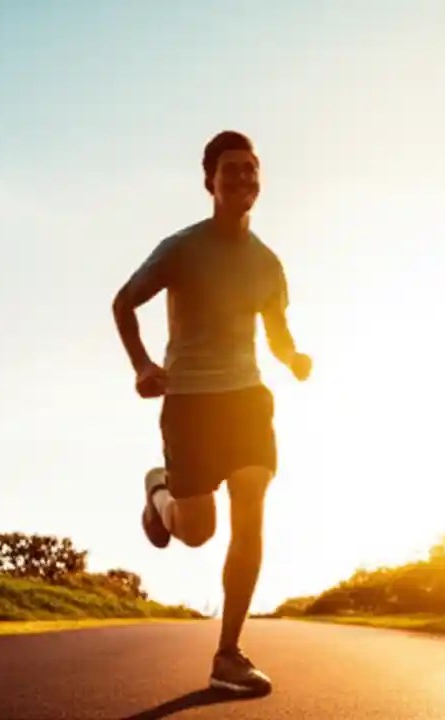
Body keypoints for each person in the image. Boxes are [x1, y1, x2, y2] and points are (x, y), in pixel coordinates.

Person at [111, 130, 311, 694]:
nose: (244, 178)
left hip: (247, 398)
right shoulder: (181, 248)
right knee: (198, 532)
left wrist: (292, 357)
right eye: (231, 169)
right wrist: (144, 365)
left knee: (251, 503)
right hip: (190, 403)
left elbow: (275, 331)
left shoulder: (268, 263)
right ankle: (160, 493)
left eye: (252, 169)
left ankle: (228, 653)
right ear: (209, 181)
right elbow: (124, 301)